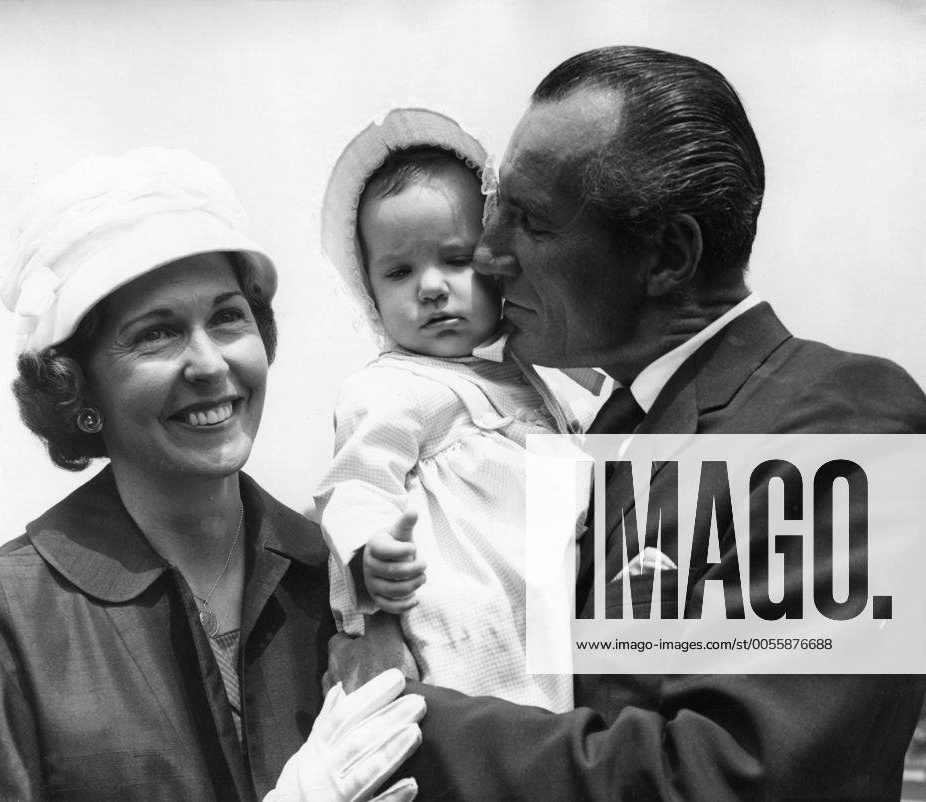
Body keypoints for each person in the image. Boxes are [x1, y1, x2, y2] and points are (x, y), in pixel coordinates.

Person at [326, 47, 926, 800]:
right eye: (495, 210)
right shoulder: (589, 427)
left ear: (668, 255)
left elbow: (736, 778)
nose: (489, 253)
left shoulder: (849, 423)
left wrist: (402, 715)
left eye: (532, 222)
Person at [0, 147, 424, 801]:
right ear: (76, 388)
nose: (210, 364)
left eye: (226, 318)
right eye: (156, 334)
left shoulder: (344, 579)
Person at [317, 107, 589, 714]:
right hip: (468, 630)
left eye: (456, 259)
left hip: (544, 620)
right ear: (369, 292)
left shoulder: (533, 380)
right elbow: (358, 481)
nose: (431, 287)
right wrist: (369, 556)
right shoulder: (389, 387)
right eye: (399, 271)